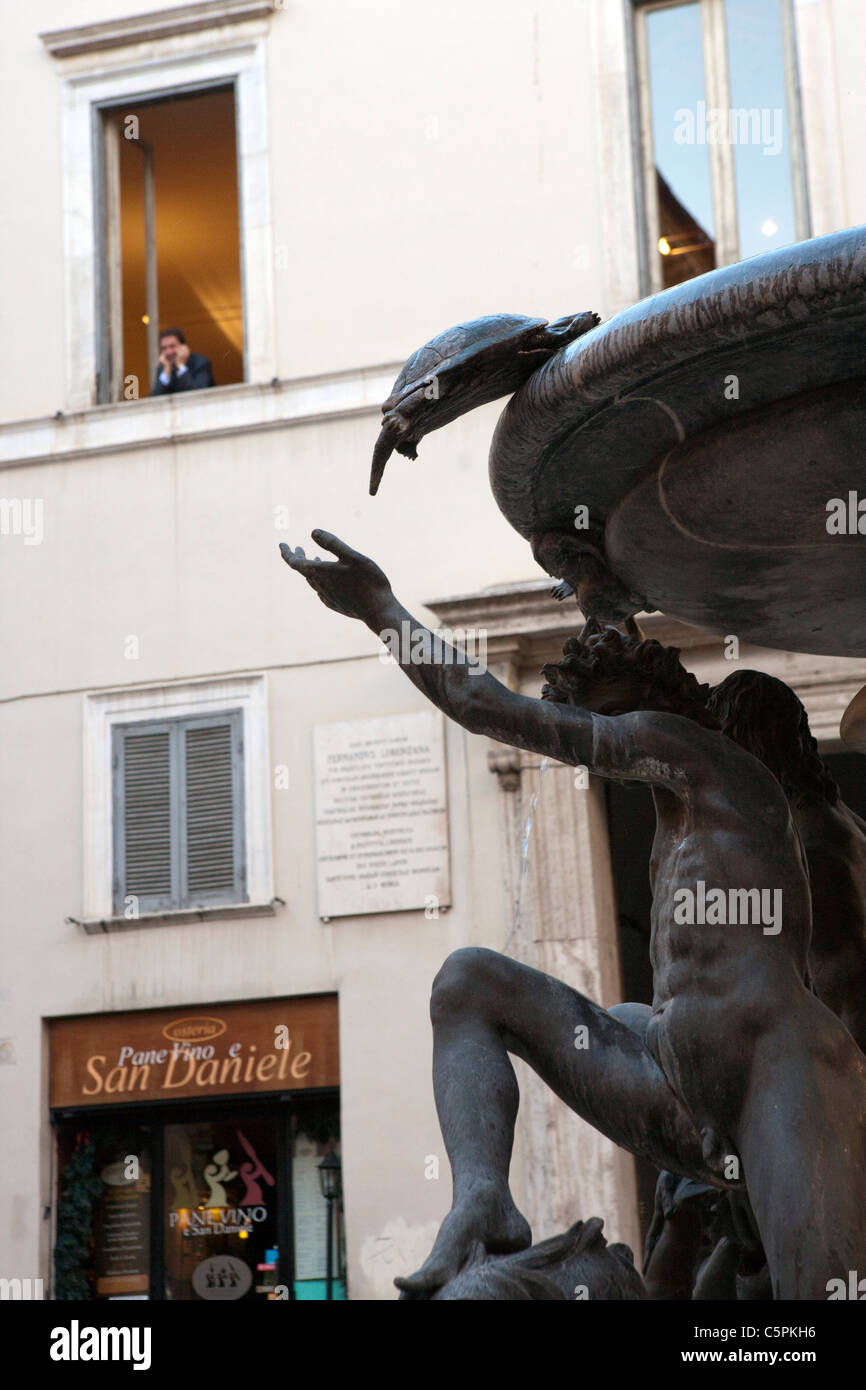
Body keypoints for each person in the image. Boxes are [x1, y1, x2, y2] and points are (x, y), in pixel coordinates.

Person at [280, 530, 866, 1300]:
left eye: (599, 722)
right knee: (470, 982)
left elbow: (486, 706)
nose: (596, 751)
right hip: (679, 1079)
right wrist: (597, 580)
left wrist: (382, 610)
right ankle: (482, 1194)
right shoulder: (679, 812)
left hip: (773, 1070)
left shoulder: (699, 754)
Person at [150, 327, 214, 396]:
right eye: (164, 348)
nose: (168, 352)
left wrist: (181, 366)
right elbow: (154, 398)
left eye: (172, 346)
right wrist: (166, 371)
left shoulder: (200, 362)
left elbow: (200, 394)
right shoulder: (163, 368)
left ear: (183, 347)